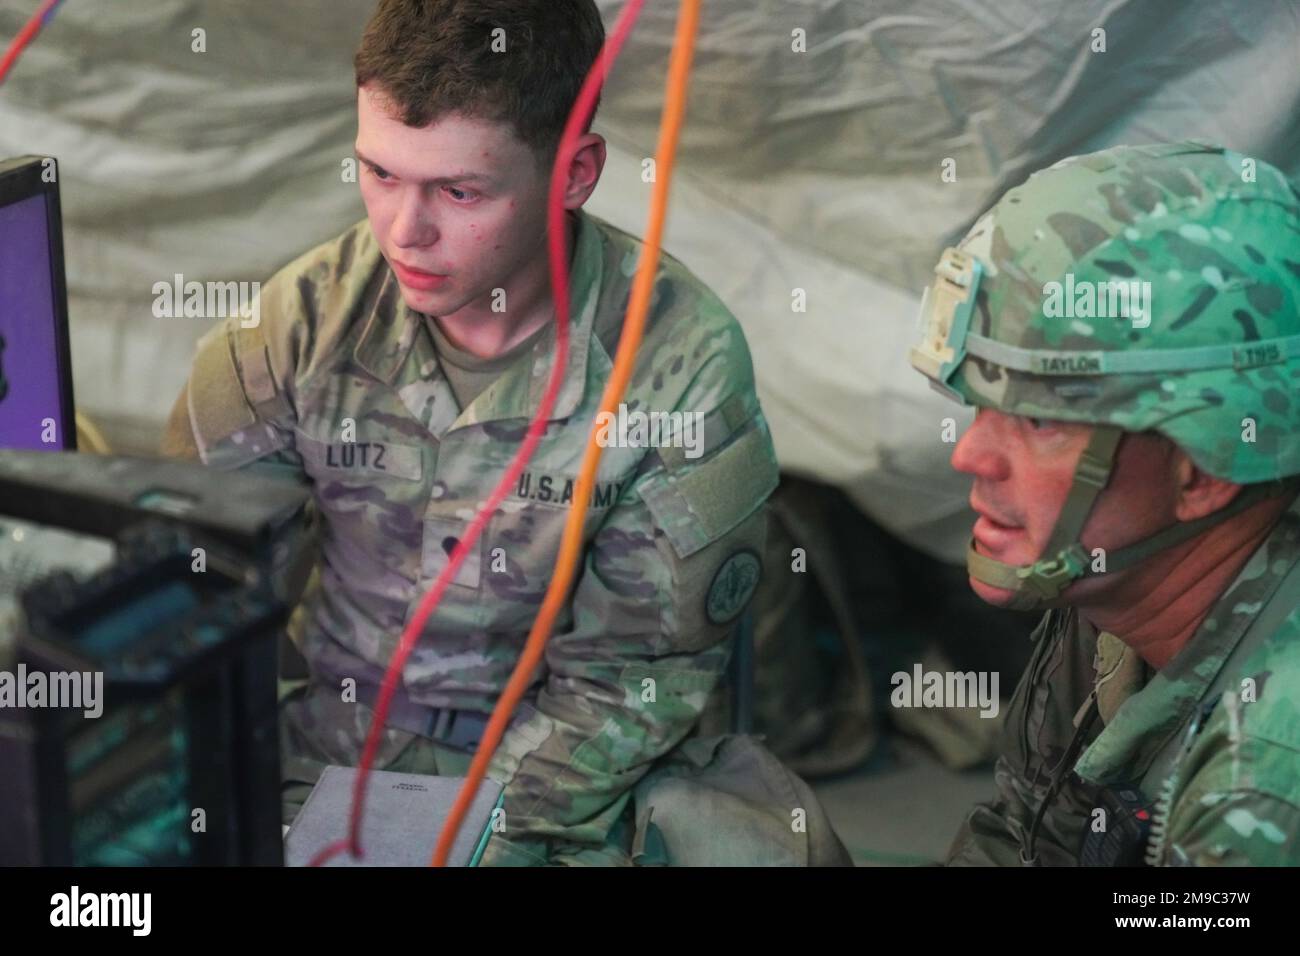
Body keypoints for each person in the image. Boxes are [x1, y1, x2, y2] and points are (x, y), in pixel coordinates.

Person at [161, 0, 848, 866]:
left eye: (459, 190)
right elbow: (191, 596)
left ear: (574, 172)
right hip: (319, 751)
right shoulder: (293, 329)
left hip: (575, 779)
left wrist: (483, 842)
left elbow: (631, 688)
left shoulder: (678, 368)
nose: (404, 231)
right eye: (378, 173)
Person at [908, 142, 1300, 865]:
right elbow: (1025, 836)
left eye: (1041, 421)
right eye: (983, 407)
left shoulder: (1268, 774)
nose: (969, 455)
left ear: (1202, 473)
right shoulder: (1111, 584)